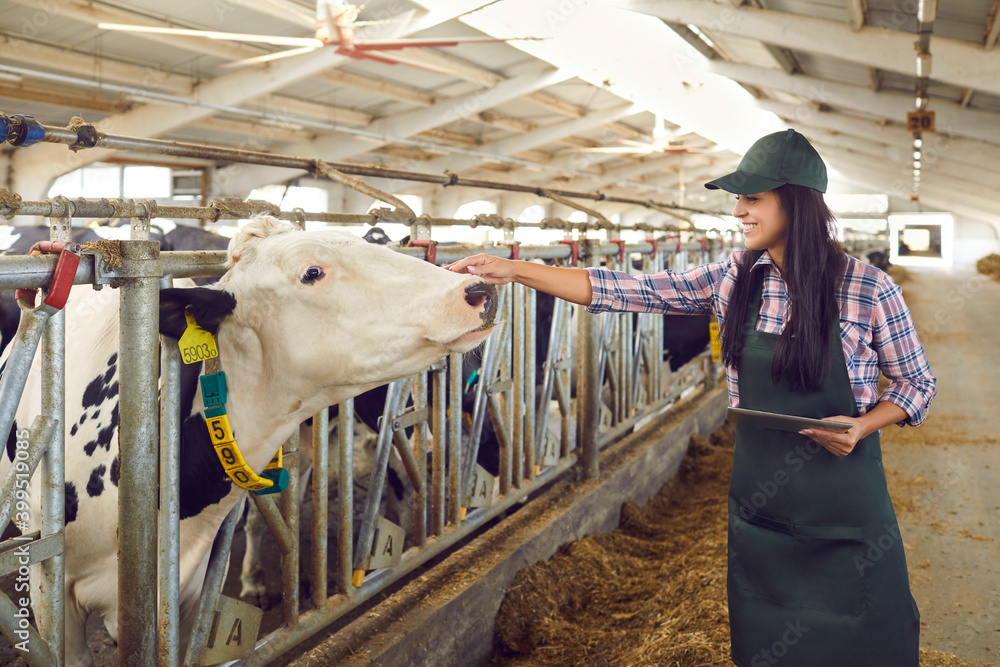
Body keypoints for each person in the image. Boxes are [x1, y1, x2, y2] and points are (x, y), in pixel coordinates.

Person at [445, 129, 935, 666]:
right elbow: (622, 289)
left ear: (796, 201)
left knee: (862, 633)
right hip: (763, 506)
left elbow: (917, 386)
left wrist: (865, 425)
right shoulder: (734, 279)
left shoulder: (867, 289)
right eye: (738, 199)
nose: (738, 212)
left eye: (752, 198)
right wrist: (514, 270)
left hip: (844, 504)